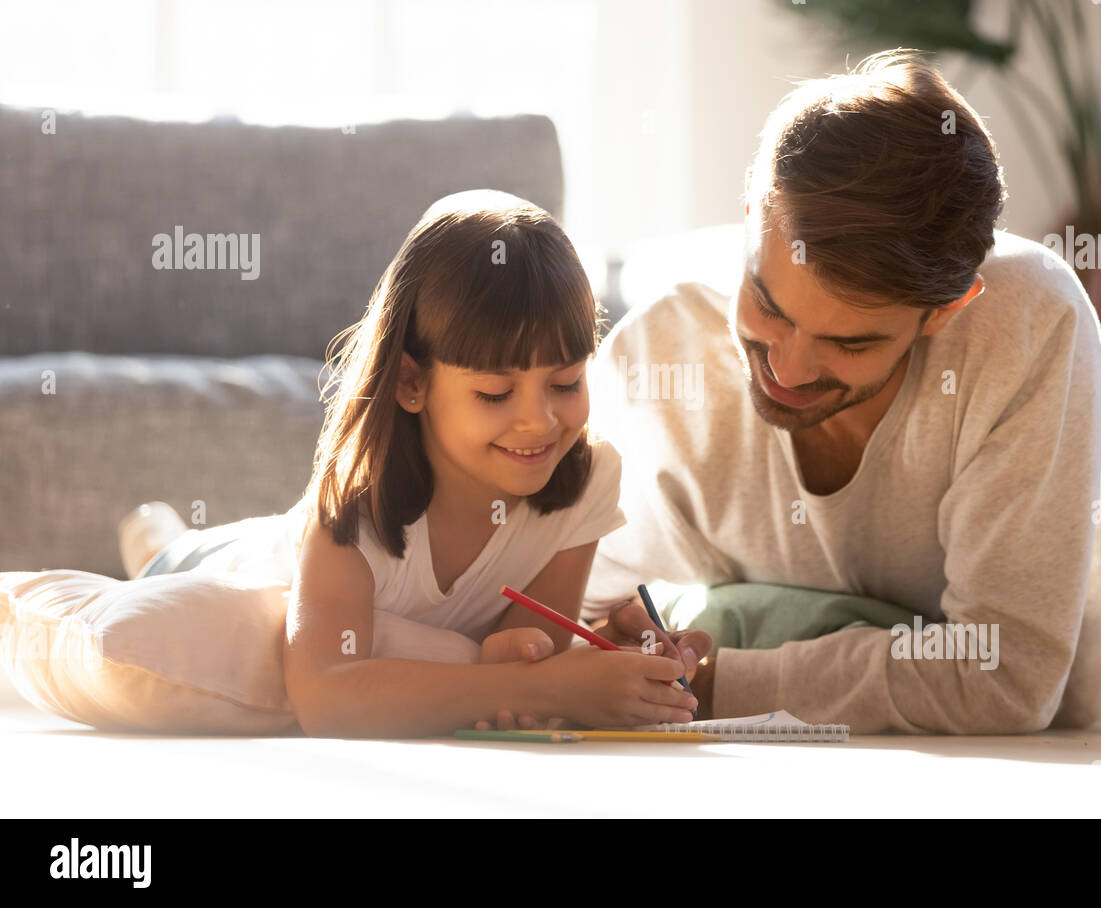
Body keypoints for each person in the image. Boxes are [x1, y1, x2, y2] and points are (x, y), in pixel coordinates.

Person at [580, 49, 1101, 734]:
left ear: (946, 311)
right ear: (750, 214)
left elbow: (1006, 678)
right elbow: (568, 621)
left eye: (851, 343)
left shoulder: (1028, 324)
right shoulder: (661, 352)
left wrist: (710, 684)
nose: (790, 369)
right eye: (769, 304)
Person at [126, 190, 706, 738]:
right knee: (172, 556)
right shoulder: (354, 510)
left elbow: (523, 655)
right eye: (495, 394)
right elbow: (326, 692)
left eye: (566, 382)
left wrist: (611, 662)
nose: (540, 422)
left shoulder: (586, 479)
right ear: (411, 382)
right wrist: (554, 687)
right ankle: (155, 538)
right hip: (232, 559)